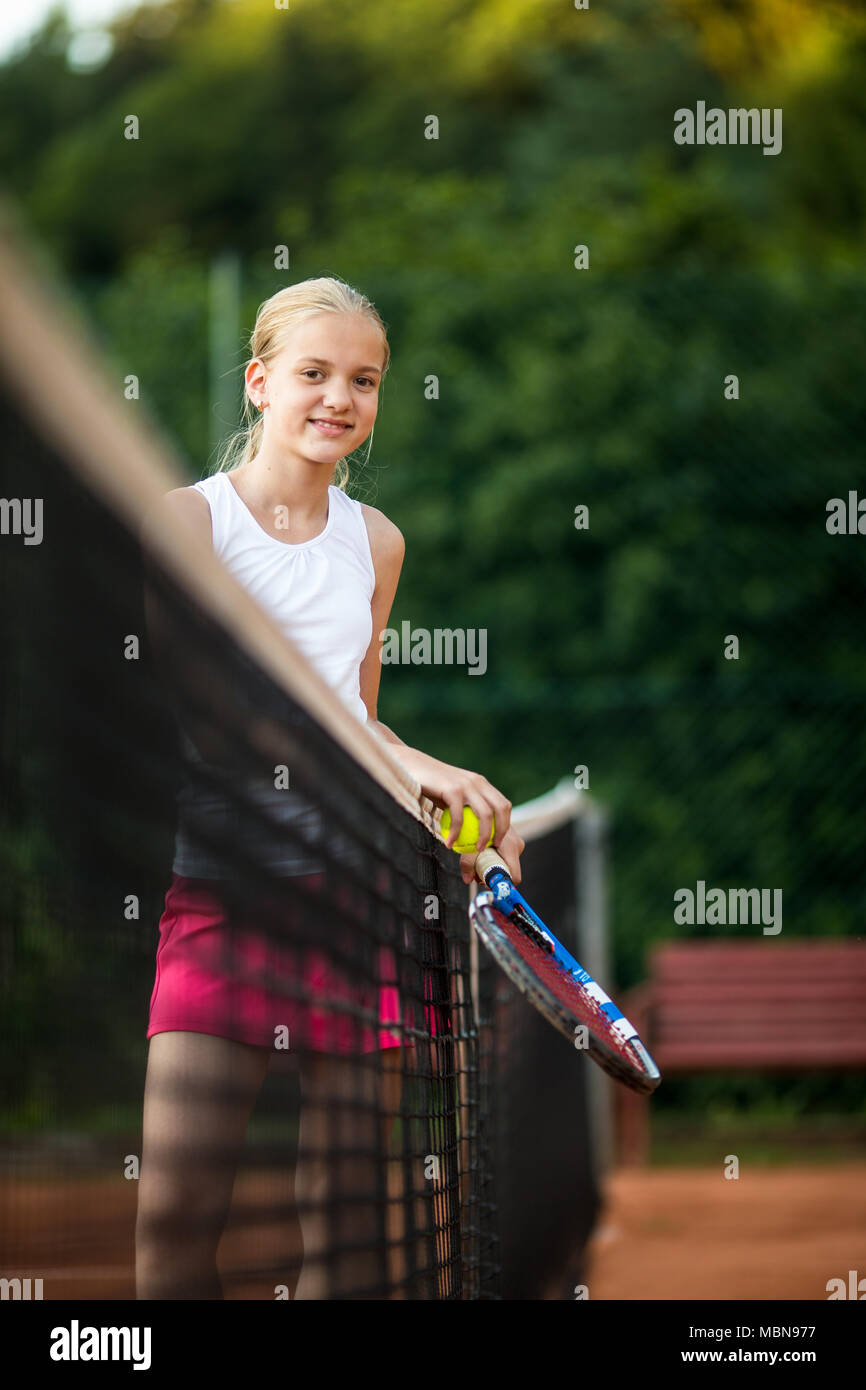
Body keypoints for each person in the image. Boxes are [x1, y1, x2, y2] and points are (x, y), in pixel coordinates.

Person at [135, 276, 524, 1300]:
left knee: (351, 1219)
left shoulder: (377, 542)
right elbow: (214, 711)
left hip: (357, 903)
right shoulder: (187, 523)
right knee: (174, 1212)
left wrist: (439, 780)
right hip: (221, 894)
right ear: (260, 383)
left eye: (364, 379)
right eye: (313, 373)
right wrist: (411, 764)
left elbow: (357, 718)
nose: (338, 398)